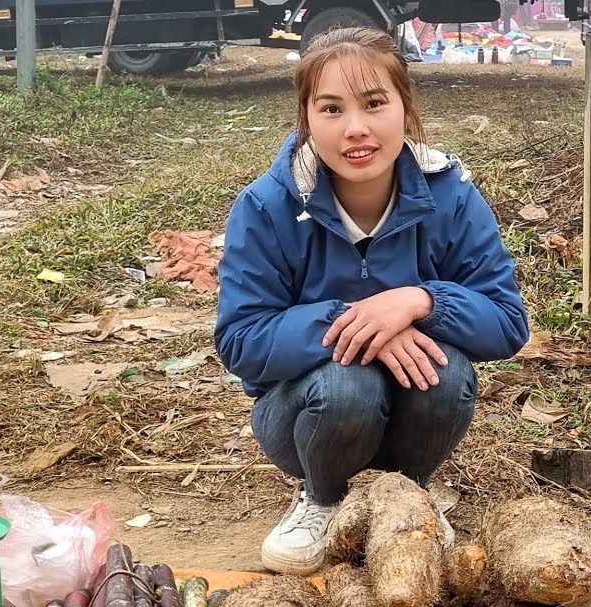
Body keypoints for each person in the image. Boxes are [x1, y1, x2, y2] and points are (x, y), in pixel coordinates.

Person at [213, 27, 529, 576]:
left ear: (405, 106)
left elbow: (507, 323)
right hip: (303, 418)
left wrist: (422, 300)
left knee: (446, 373)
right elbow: (241, 341)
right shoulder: (267, 206)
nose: (355, 128)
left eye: (375, 103)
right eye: (331, 109)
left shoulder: (452, 195)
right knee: (348, 382)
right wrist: (356, 324)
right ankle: (322, 499)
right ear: (306, 118)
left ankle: (411, 497)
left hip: (413, 413)